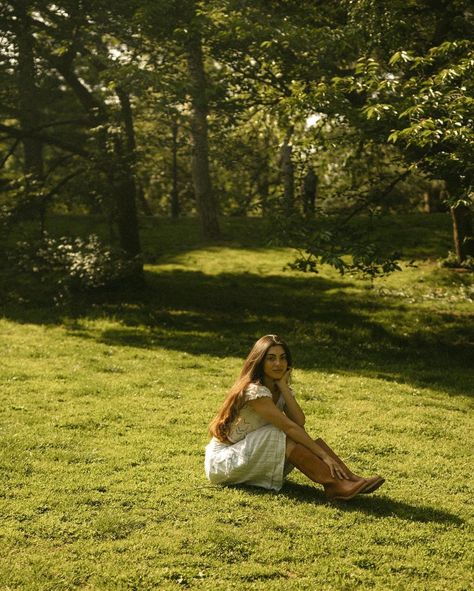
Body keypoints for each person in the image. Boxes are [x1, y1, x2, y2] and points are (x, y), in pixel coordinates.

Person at [205, 335, 384, 500]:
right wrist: (324, 456)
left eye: (283, 357)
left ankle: (350, 479)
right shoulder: (254, 392)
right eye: (271, 358)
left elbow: (299, 422)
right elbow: (290, 427)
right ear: (259, 362)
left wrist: (283, 387)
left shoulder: (278, 389)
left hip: (249, 451)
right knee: (278, 431)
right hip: (223, 462)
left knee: (289, 432)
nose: (278, 364)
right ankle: (334, 484)